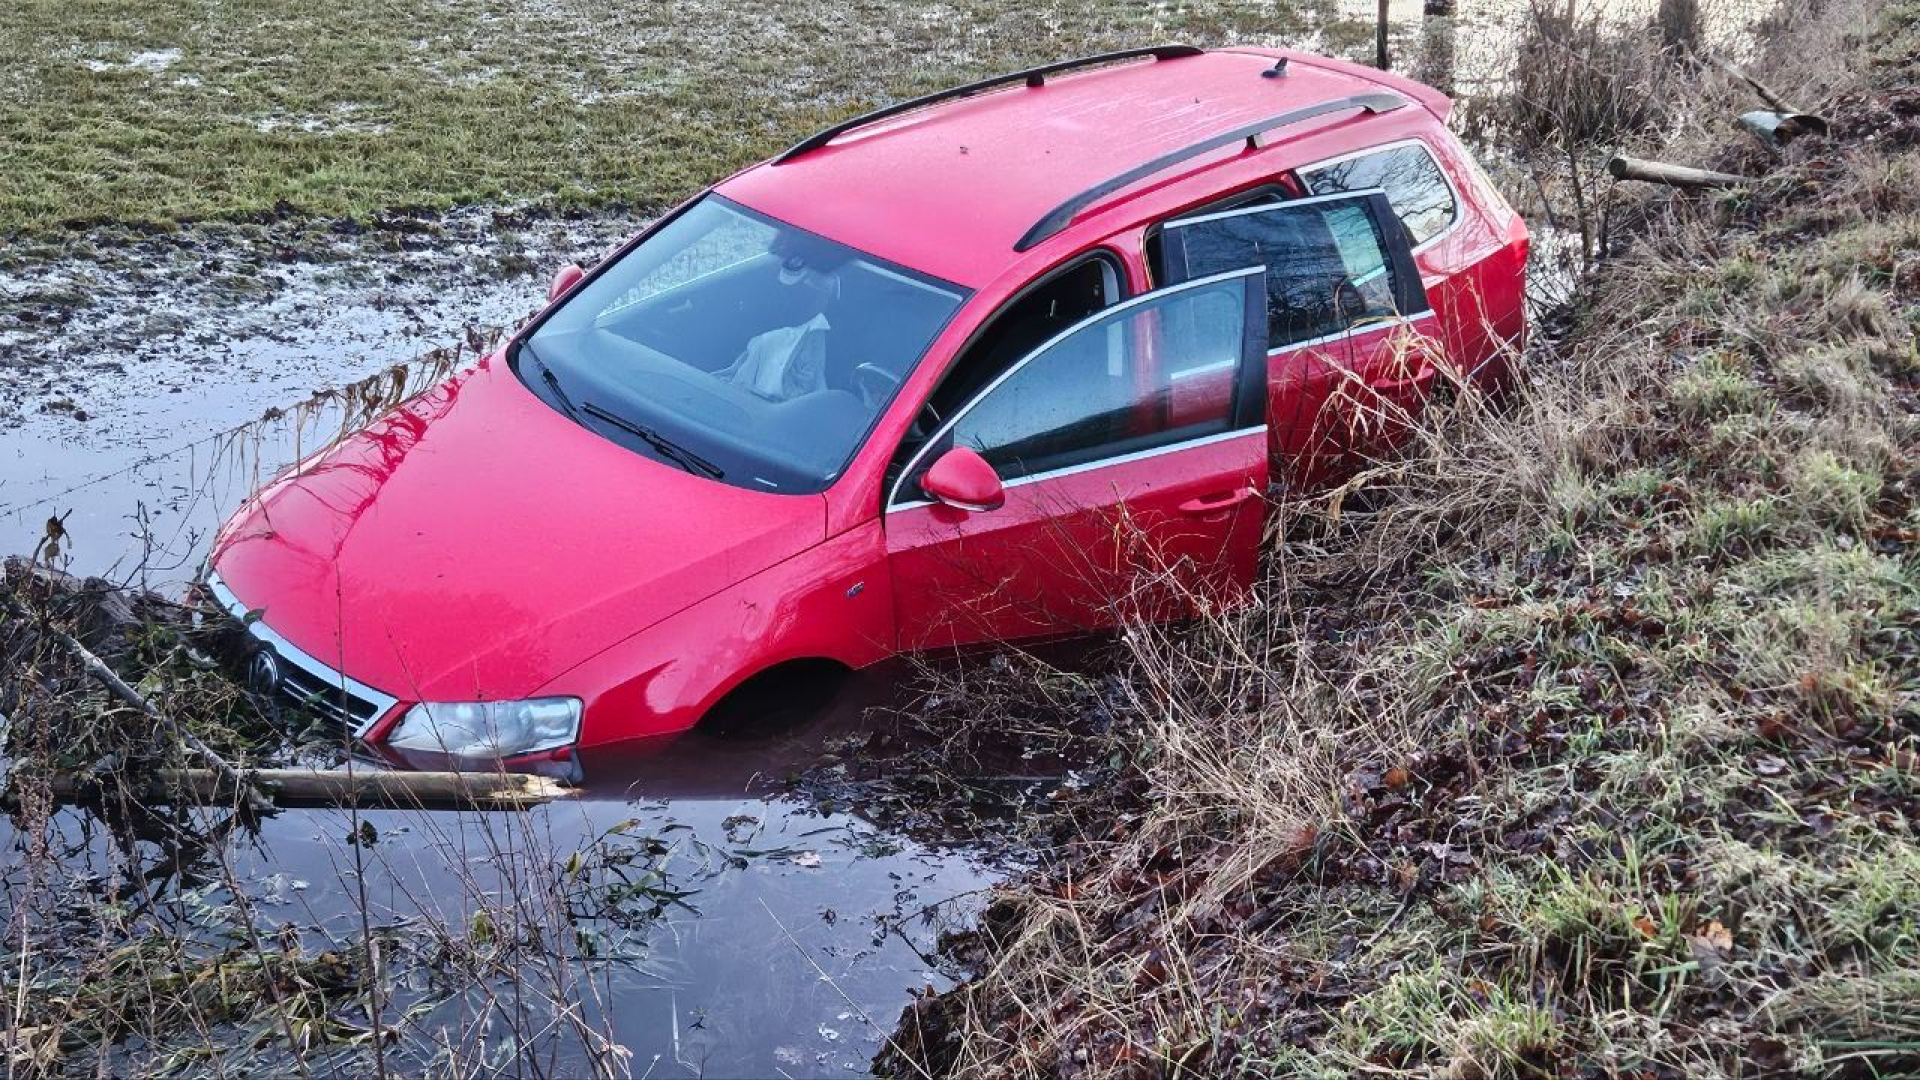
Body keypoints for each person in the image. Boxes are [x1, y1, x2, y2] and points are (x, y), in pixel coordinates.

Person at [716, 256, 840, 402]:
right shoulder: (757, 318)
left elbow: (804, 389)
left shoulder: (814, 337)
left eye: (812, 288)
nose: (796, 297)